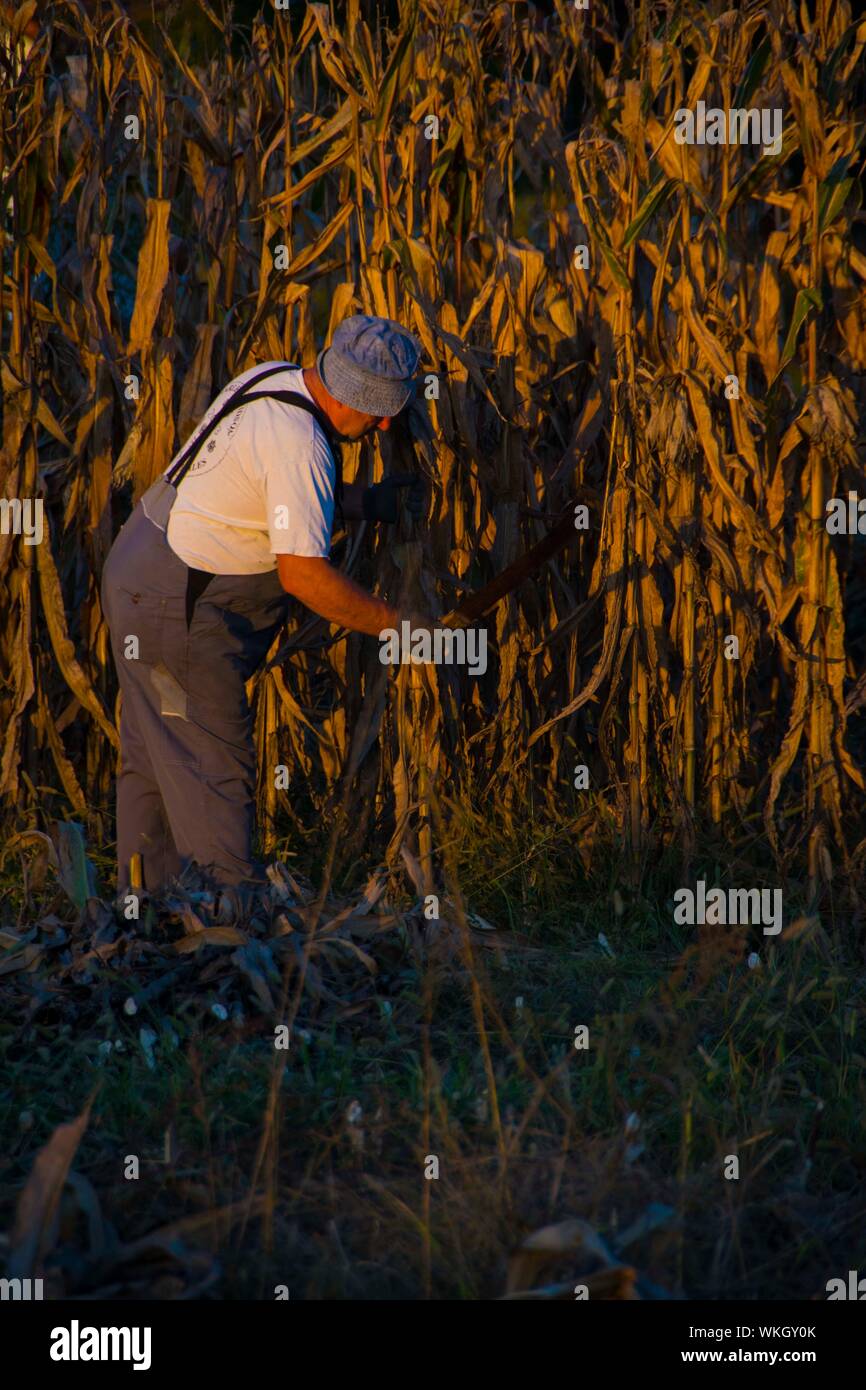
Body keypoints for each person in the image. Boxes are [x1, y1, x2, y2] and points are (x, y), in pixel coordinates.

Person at [101, 315, 429, 902]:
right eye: (381, 410)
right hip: (176, 609)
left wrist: (359, 503)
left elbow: (267, 489)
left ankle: (143, 920)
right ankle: (226, 934)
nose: (383, 425)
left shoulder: (275, 377)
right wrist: (393, 624)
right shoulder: (300, 442)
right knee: (211, 766)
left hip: (137, 564)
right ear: (359, 396)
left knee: (154, 756)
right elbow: (302, 574)